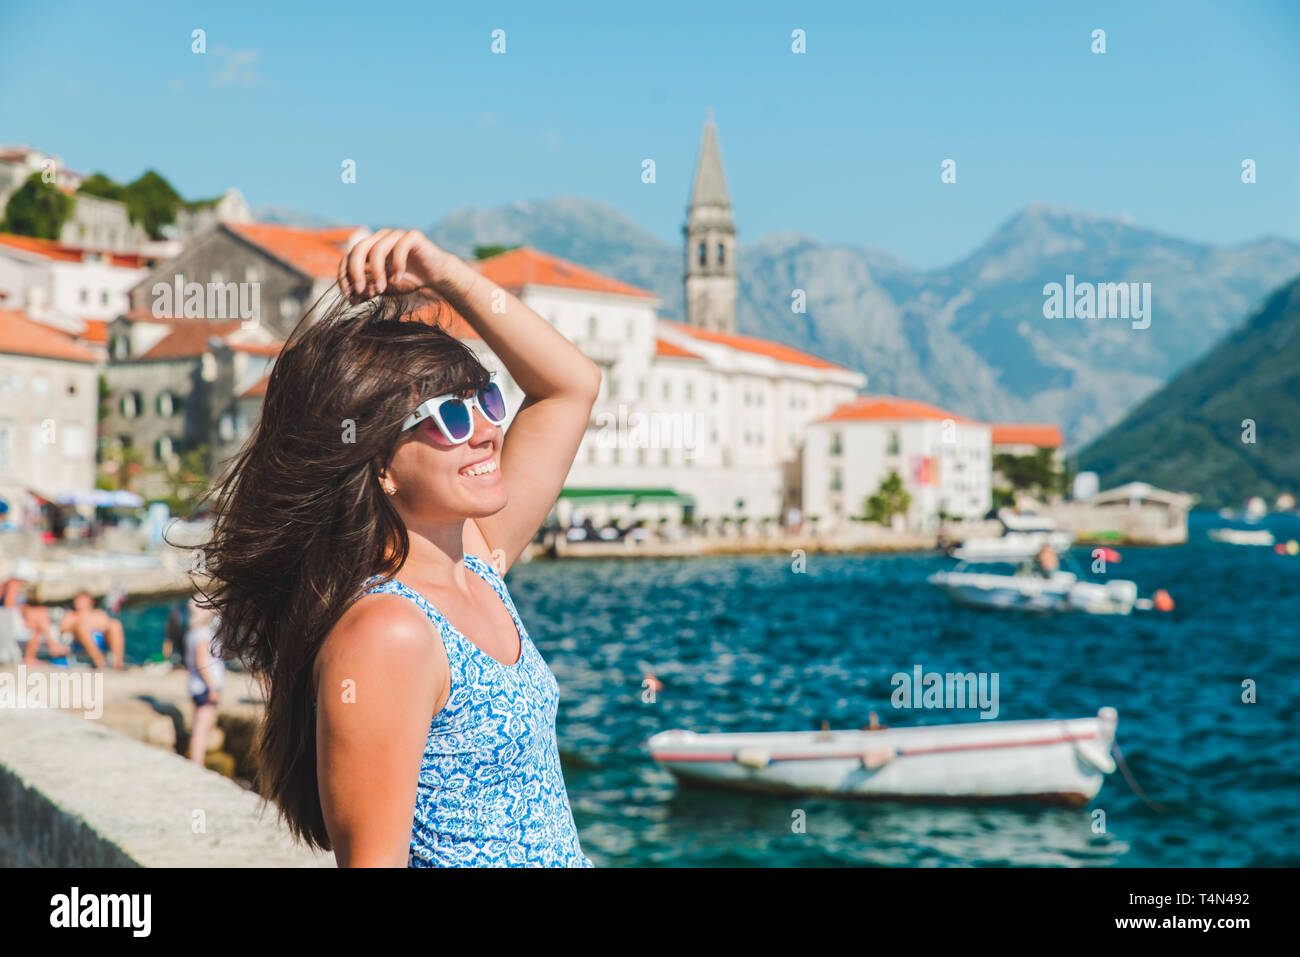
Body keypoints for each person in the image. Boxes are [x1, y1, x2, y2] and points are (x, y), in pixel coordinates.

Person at [199, 229, 597, 867]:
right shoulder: (388, 630)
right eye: (450, 417)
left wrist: (447, 276)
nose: (488, 432)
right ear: (379, 462)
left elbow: (570, 386)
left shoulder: (478, 563)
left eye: (486, 399)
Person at [0, 565, 73, 665]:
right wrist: (25, 608)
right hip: (7, 618)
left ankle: (31, 656)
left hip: (9, 617)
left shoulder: (11, 583)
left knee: (38, 624)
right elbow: (9, 605)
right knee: (39, 614)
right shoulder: (14, 583)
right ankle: (52, 645)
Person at [184, 597, 224, 764]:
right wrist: (212, 686)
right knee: (201, 731)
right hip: (204, 688)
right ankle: (197, 766)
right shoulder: (202, 634)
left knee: (198, 728)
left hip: (196, 686)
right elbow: (202, 661)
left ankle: (195, 762)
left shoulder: (192, 632)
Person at [59, 591, 127, 670]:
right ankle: (99, 660)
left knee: (115, 624)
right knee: (82, 628)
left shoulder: (98, 613)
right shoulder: (71, 615)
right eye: (78, 601)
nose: (80, 603)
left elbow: (106, 625)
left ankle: (118, 662)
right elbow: (63, 628)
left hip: (101, 640)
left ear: (90, 602)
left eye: (83, 601)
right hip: (80, 642)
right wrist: (83, 622)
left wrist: (90, 624)